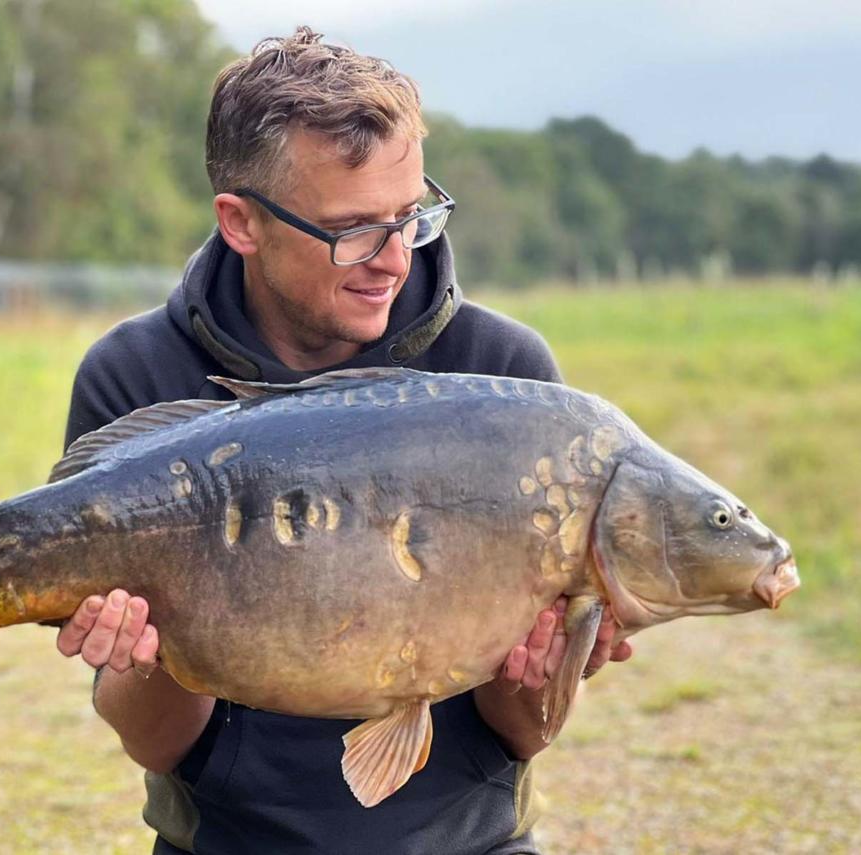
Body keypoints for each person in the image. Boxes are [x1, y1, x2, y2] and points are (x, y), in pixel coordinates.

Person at [54, 27, 630, 854]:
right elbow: (156, 744)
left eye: (411, 216)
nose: (393, 260)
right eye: (352, 229)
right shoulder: (137, 374)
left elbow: (523, 732)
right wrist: (146, 655)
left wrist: (548, 668)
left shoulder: (507, 380)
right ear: (242, 222)